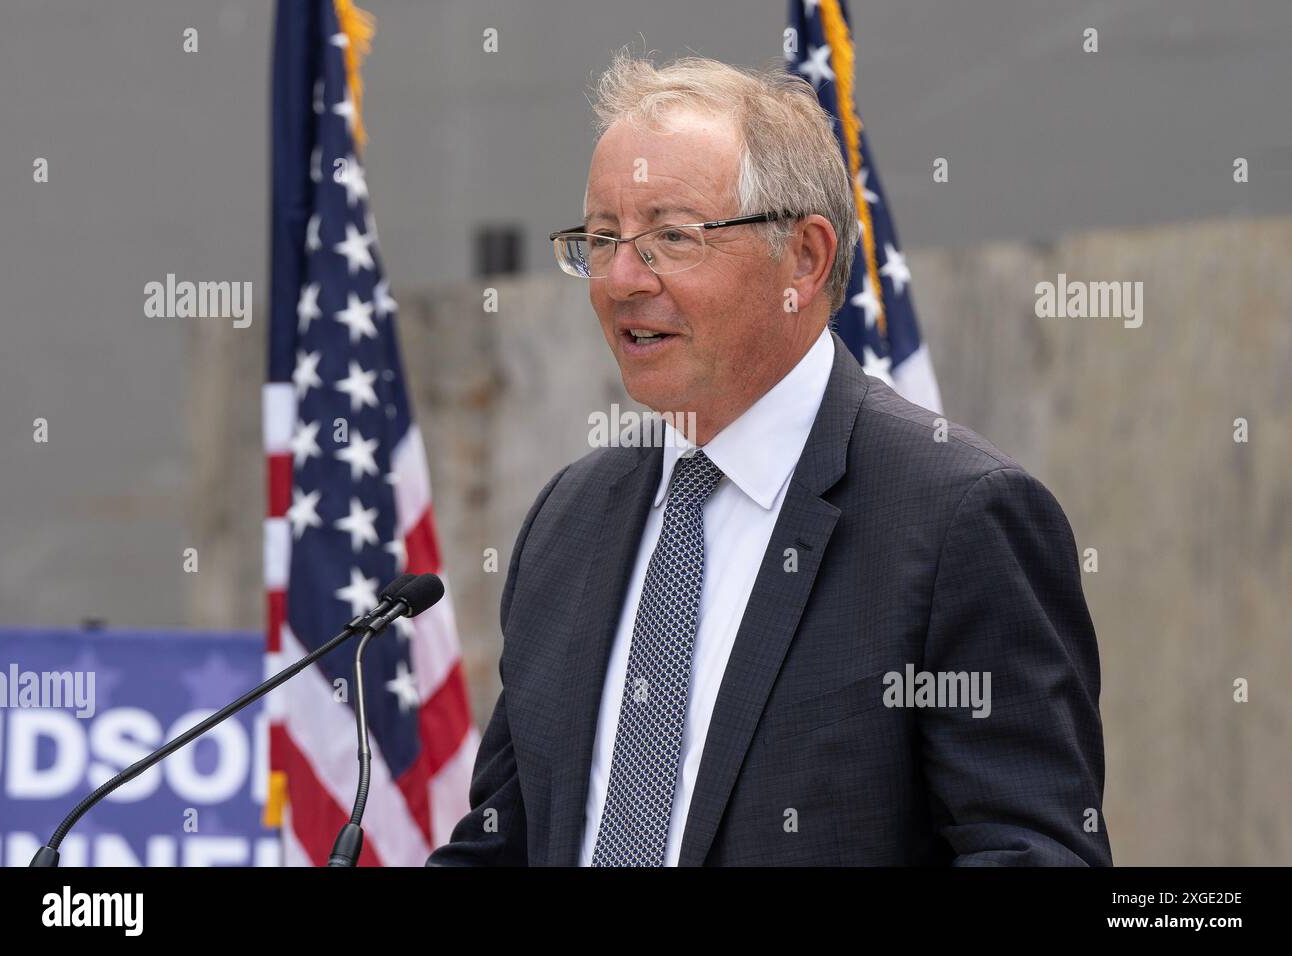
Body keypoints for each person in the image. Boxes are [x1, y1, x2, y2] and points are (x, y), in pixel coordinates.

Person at [427, 51, 1111, 866]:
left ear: (805, 258)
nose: (618, 279)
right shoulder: (567, 521)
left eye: (670, 237)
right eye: (601, 238)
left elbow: (1032, 853)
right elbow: (507, 841)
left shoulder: (960, 519)